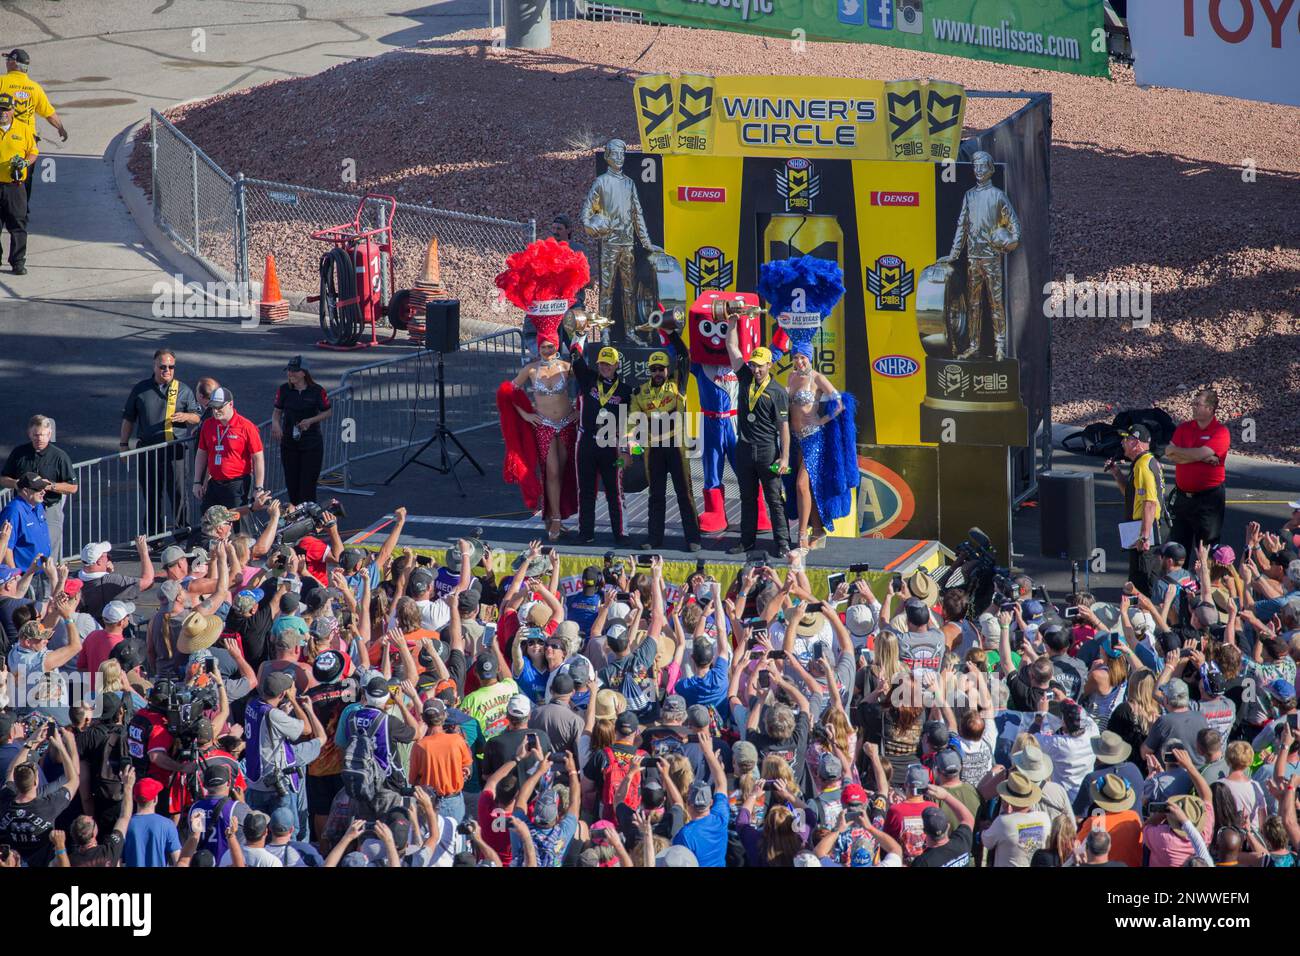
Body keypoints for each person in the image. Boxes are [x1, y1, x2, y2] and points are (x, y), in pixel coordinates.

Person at [757, 255, 856, 551]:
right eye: (796, 357)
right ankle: (817, 530)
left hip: (814, 438)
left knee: (802, 484)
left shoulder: (815, 377)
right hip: (794, 439)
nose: (799, 361)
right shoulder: (790, 378)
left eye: (803, 357)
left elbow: (839, 402)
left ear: (810, 358)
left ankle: (801, 535)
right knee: (805, 486)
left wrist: (822, 420)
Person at [498, 310, 579, 541]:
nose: (547, 350)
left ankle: (554, 515)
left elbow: (587, 385)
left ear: (556, 345)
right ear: (538, 348)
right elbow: (507, 393)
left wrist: (579, 409)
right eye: (543, 347)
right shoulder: (531, 369)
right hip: (544, 426)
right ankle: (555, 519)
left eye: (550, 346)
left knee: (563, 472)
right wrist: (525, 414)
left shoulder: (566, 367)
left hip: (566, 424)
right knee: (551, 472)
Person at [939, 150, 1021, 360]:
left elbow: (1014, 224)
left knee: (996, 303)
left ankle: (1000, 346)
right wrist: (954, 254)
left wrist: (1011, 242)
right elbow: (962, 226)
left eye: (983, 166)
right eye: (975, 166)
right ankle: (974, 345)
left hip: (992, 259)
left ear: (991, 169)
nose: (978, 170)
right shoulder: (969, 195)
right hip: (972, 259)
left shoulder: (998, 196)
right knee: (973, 304)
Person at [580, 138, 660, 329]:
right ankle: (605, 332)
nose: (619, 157)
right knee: (606, 290)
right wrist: (593, 227)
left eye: (621, 154)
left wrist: (646, 242)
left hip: (628, 245)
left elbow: (638, 214)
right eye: (615, 154)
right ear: (608, 156)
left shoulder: (629, 184)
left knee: (629, 290)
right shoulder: (601, 182)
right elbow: (586, 214)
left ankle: (630, 331)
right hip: (609, 245)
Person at [726, 320, 791, 556]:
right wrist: (732, 323)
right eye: (754, 365)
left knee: (774, 499)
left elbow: (783, 427)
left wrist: (784, 458)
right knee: (747, 498)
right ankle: (747, 542)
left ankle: (783, 543)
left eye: (761, 366)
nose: (756, 370)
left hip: (767, 451)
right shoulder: (744, 377)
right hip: (744, 449)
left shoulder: (777, 391)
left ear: (770, 365)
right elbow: (732, 347)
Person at [120, 349, 202, 535]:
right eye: (163, 367)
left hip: (175, 451)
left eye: (171, 367)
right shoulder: (141, 389)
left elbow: (197, 417)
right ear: (154, 366)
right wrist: (123, 445)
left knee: (179, 494)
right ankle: (154, 538)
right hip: (148, 451)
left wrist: (186, 416)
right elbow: (128, 419)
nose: (167, 370)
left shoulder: (183, 390)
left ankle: (182, 535)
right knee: (152, 495)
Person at [625, 350, 701, 552]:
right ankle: (654, 538)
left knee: (684, 493)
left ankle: (693, 538)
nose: (657, 373)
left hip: (676, 447)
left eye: (661, 369)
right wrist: (629, 439)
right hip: (653, 450)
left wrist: (671, 334)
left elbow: (685, 356)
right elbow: (632, 418)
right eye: (654, 369)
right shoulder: (639, 392)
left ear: (668, 369)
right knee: (655, 495)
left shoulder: (678, 383)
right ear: (649, 371)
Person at [568, 337, 633, 544]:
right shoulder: (588, 379)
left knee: (615, 491)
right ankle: (586, 533)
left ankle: (621, 533)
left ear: (616, 365)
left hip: (611, 444)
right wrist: (580, 333)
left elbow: (629, 423)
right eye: (602, 364)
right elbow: (575, 355)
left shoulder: (625, 391)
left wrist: (627, 449)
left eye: (608, 364)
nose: (605, 367)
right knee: (586, 491)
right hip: (586, 441)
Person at [1, 415, 77, 562]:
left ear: (50, 434)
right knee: (21, 546)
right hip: (24, 509)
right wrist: (16, 484)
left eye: (43, 435)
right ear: (29, 434)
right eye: (36, 435)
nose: (39, 439)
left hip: (49, 509)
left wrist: (51, 486)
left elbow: (73, 487)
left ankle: (49, 575)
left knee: (49, 550)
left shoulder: (59, 456)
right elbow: (3, 478)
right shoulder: (18, 453)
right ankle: (22, 574)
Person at [1166, 388, 1229, 553]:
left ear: (1210, 408)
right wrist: (1201, 457)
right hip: (1182, 499)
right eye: (1193, 404)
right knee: (1177, 549)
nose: (1193, 407)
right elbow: (1169, 453)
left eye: (1197, 404)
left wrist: (1187, 453)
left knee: (1207, 550)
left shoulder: (1220, 432)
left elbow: (1192, 453)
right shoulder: (1184, 428)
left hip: (1208, 501)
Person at [0, 49, 67, 205]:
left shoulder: (2, 82)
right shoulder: (34, 88)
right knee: (25, 175)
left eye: (8, 60)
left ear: (13, 63)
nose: (6, 63)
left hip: (4, 136)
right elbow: (49, 113)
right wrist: (60, 128)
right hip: (27, 140)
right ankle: (22, 208)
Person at [1107, 423, 1165, 596]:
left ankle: (1144, 610)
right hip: (1140, 529)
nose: (1122, 442)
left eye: (1126, 439)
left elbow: (1150, 502)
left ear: (1136, 443)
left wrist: (1144, 536)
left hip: (1145, 532)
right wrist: (1116, 473)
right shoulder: (1142, 462)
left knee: (1142, 583)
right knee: (1139, 578)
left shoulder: (1143, 466)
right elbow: (1130, 494)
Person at [194, 386, 265, 524]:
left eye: (219, 407)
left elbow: (258, 458)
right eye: (213, 407)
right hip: (214, 482)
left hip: (237, 485)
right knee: (208, 522)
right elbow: (202, 453)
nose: (215, 411)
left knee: (237, 525)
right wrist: (197, 481)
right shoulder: (208, 425)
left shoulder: (246, 426)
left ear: (231, 404)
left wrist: (259, 488)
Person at [272, 355, 332, 505]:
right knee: (292, 484)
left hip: (311, 443)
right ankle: (295, 514)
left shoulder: (317, 391)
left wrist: (311, 421)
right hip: (289, 443)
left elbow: (327, 412)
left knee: (307, 486)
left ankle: (308, 515)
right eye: (289, 370)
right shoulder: (284, 390)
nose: (290, 374)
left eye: (294, 370)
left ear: (304, 372)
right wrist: (275, 424)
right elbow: (277, 411)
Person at [409, 698, 473, 823]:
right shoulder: (457, 740)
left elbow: (413, 780)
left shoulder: (419, 746)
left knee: (429, 835)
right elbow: (468, 767)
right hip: (453, 801)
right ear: (444, 716)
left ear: (423, 718)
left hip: (429, 802)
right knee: (455, 835)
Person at [0, 92, 36, 275]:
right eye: (0, 109)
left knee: (18, 225)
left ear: (13, 110)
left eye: (6, 109)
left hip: (15, 186)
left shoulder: (24, 129)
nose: (2, 113)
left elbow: (33, 152)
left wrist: (24, 163)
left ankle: (18, 262)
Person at [0, 473, 51, 578]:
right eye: (38, 489)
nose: (43, 492)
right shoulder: (13, 511)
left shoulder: (38, 505)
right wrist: (15, 576)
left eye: (43, 488)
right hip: (25, 575)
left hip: (43, 571)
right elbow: (7, 547)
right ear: (25, 491)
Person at [123, 776, 181, 867]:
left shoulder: (125, 825)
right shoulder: (167, 824)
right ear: (155, 799)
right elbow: (178, 860)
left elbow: (117, 860)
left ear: (134, 798)